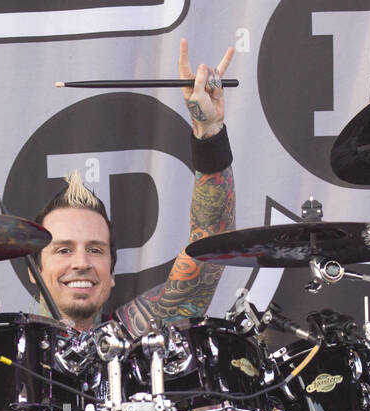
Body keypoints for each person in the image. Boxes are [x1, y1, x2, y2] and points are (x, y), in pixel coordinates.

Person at [33, 39, 236, 336]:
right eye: (63, 250)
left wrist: (209, 131)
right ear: (33, 270)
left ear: (112, 273)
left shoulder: (133, 334)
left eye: (96, 249)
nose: (82, 263)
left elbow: (211, 242)